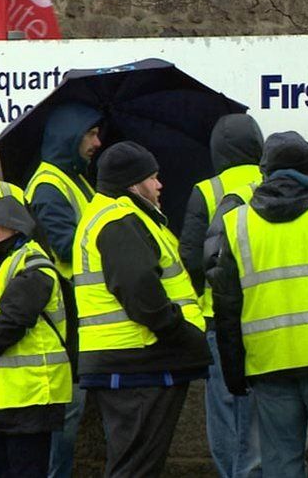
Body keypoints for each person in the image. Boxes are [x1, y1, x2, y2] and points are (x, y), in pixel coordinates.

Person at [208, 132, 308, 478]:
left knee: (280, 463)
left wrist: (235, 373)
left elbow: (227, 306)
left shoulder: (237, 224)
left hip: (269, 364)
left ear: (266, 173)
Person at [72, 141, 212, 478]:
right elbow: (141, 293)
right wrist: (183, 334)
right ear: (134, 184)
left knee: (136, 464)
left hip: (132, 361)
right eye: (153, 177)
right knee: (136, 467)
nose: (160, 185)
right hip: (138, 362)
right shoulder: (120, 220)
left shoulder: (121, 216)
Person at [0, 196, 72, 477]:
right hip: (2, 391)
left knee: (25, 468)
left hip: (30, 394)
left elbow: (15, 317)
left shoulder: (32, 263)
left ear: (16, 227)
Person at [179, 114, 263, 478]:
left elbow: (191, 256)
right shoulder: (271, 180)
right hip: (265, 312)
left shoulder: (208, 189)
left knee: (225, 408)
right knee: (260, 411)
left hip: (218, 316)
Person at [24, 102, 102, 478]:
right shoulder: (49, 184)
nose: (97, 142)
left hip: (78, 308)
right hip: (64, 309)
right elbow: (67, 245)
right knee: (67, 410)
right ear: (70, 135)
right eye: (91, 133)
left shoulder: (75, 177)